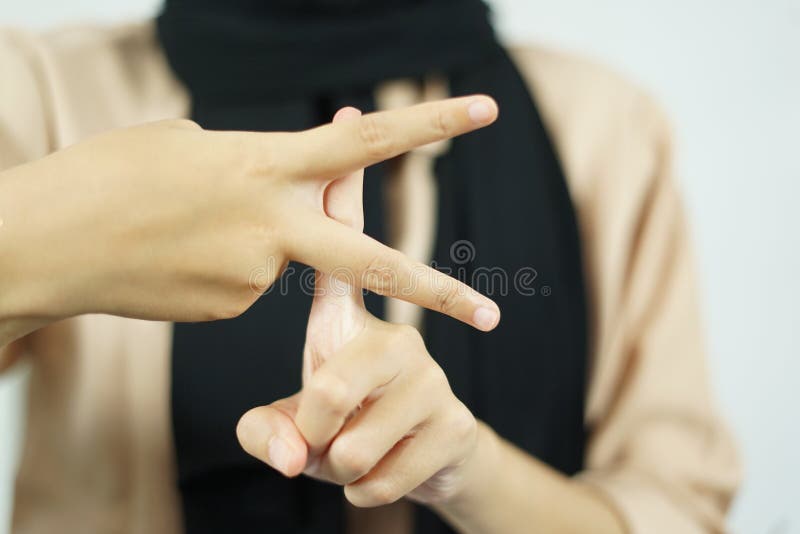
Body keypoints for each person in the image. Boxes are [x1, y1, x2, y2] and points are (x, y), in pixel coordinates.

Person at [0, 0, 740, 533]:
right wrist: (80, 220)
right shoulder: (42, 88)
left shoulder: (602, 127)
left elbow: (673, 508)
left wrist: (466, 469)